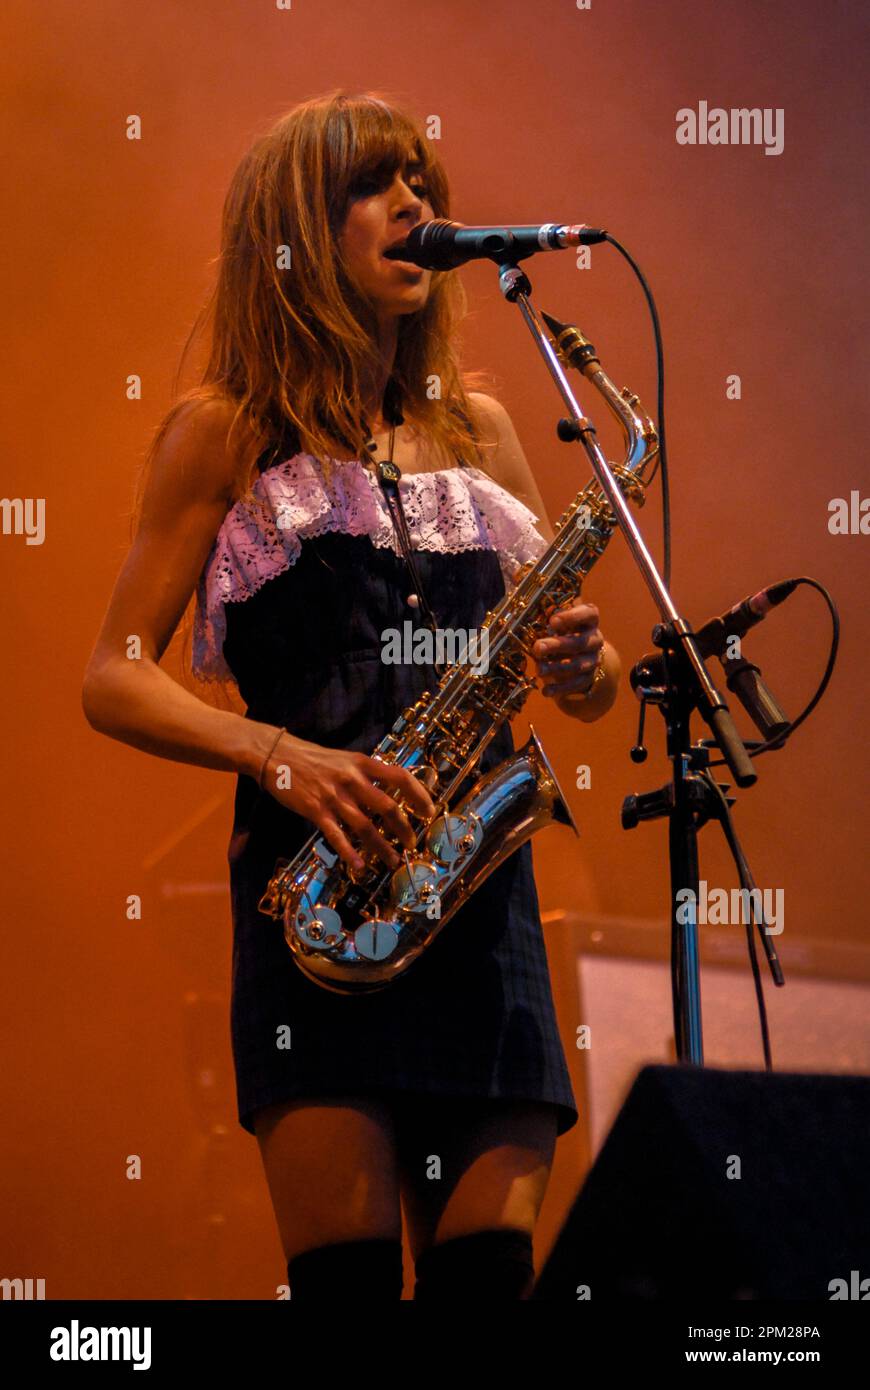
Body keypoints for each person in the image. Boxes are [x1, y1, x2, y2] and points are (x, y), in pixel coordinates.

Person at [82, 89, 621, 1301]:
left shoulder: (479, 430)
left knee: (491, 1286)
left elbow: (577, 685)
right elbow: (110, 674)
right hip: (318, 907)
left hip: (483, 910)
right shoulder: (223, 434)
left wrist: (583, 673)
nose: (417, 205)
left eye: (423, 182)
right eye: (377, 186)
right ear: (295, 229)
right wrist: (283, 755)